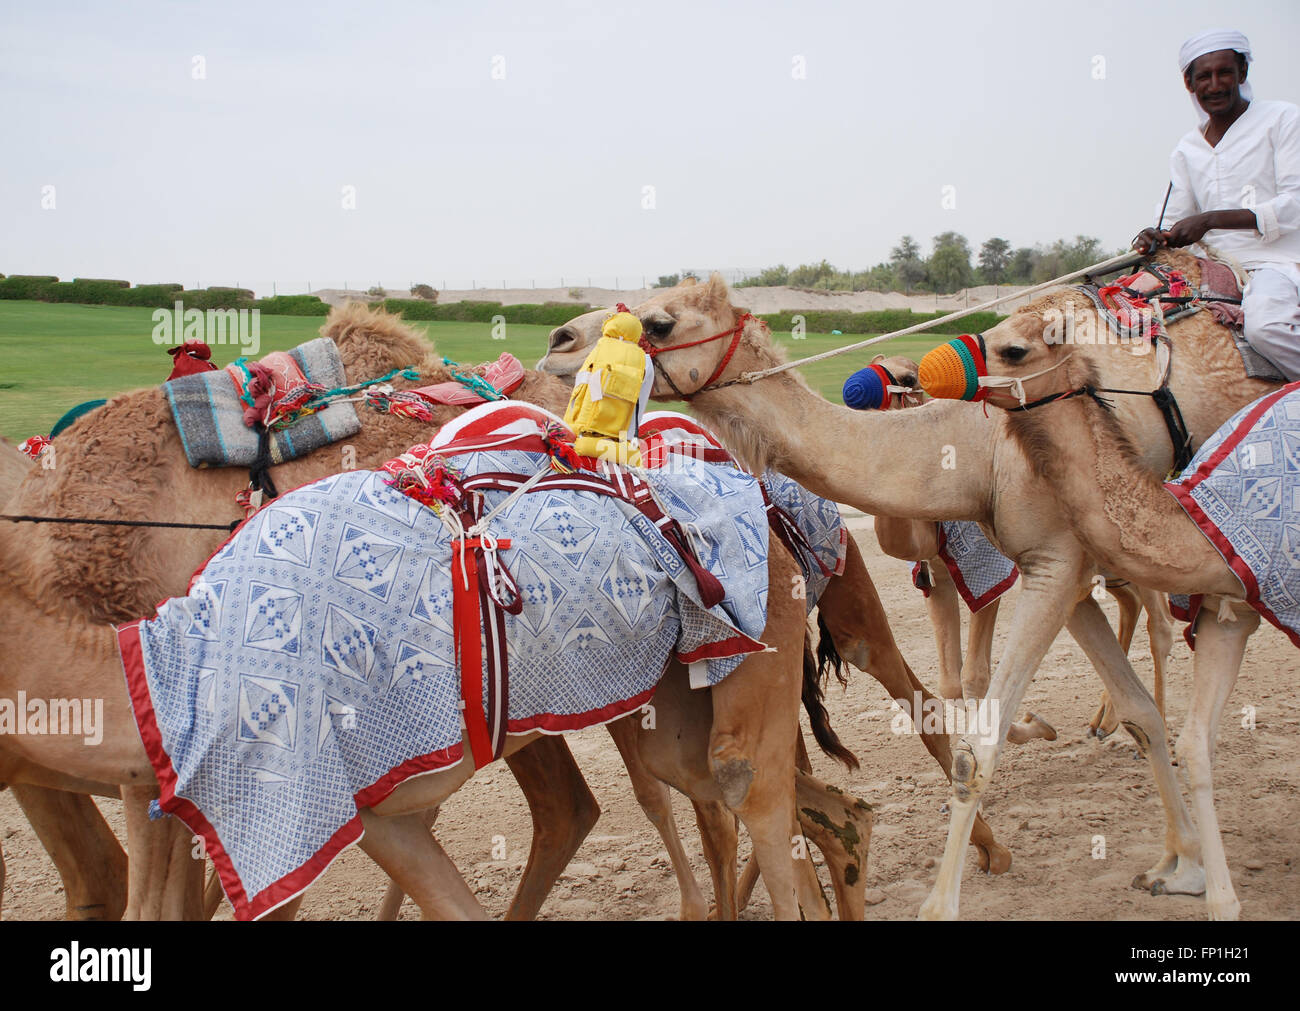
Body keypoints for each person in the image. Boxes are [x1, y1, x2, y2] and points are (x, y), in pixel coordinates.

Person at [1133, 29, 1300, 379]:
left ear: (1242, 72)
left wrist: (1210, 219)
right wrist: (1157, 235)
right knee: (1129, 316)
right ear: (1189, 84)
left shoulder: (1283, 120)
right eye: (1204, 76)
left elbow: (1295, 204)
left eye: (1224, 72)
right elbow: (1176, 218)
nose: (1215, 84)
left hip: (1276, 262)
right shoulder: (1187, 148)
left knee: (1265, 328)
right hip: (1210, 266)